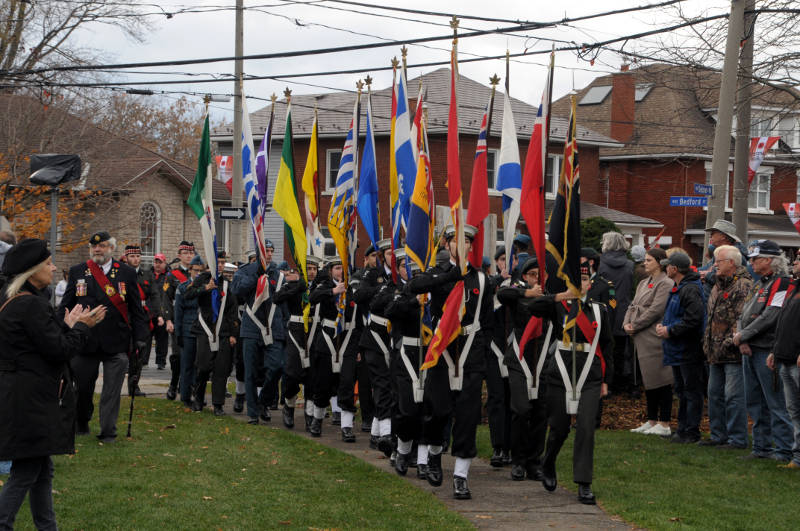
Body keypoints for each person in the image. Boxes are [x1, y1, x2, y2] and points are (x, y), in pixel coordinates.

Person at [0, 239, 106, 530]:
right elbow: (59, 350)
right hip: (29, 400)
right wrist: (83, 327)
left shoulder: (18, 301)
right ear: (32, 271)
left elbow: (41, 342)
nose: (53, 267)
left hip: (24, 396)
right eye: (47, 263)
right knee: (27, 470)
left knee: (42, 469)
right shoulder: (30, 305)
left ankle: (47, 527)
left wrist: (69, 326)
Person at [408, 225, 493, 500]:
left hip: (470, 350)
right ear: (447, 244)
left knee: (468, 416)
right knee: (438, 410)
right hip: (443, 350)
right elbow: (414, 286)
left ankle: (460, 475)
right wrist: (449, 276)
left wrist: (482, 351)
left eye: (467, 240)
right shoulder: (438, 273)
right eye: (457, 240)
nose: (462, 245)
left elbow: (488, 320)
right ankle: (433, 454)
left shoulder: (481, 279)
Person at [528, 259, 613, 505]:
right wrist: (559, 296)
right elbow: (533, 306)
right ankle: (549, 461)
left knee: (586, 428)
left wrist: (607, 380)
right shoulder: (559, 306)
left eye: (585, 280)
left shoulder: (599, 310)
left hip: (590, 374)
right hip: (560, 373)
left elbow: (607, 346)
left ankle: (584, 483)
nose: (581, 284)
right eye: (577, 280)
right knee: (559, 427)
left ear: (590, 282)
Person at [58, 231, 149, 442]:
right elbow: (66, 306)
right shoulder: (78, 271)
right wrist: (60, 331)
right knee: (82, 387)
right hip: (85, 341)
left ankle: (108, 431)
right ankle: (81, 422)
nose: (97, 249)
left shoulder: (126, 272)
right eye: (94, 246)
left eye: (102, 246)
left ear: (111, 248)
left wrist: (141, 337)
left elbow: (136, 309)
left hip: (115, 341)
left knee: (111, 391)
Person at [734, 240, 794, 461]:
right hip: (750, 349)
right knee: (755, 402)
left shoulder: (782, 283)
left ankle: (784, 449)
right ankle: (761, 447)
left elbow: (772, 314)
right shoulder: (759, 283)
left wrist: (744, 335)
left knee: (776, 403)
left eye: (755, 259)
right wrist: (741, 338)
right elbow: (743, 313)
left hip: (767, 350)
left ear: (769, 260)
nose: (751, 262)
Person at [496, 256, 550, 482]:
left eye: (540, 274)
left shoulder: (551, 295)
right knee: (520, 409)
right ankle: (517, 460)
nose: (537, 278)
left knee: (540, 413)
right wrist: (526, 293)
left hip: (542, 361)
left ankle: (533, 461)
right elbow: (502, 294)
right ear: (525, 276)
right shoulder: (518, 292)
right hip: (519, 360)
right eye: (532, 275)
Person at [700, 244, 752, 449]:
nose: (714, 266)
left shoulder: (743, 286)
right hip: (714, 351)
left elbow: (741, 319)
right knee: (714, 394)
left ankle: (737, 439)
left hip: (732, 353)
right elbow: (711, 317)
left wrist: (728, 343)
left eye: (718, 262)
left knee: (733, 396)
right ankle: (718, 435)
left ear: (731, 263)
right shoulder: (718, 284)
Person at [231, 239, 288, 425]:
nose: (270, 254)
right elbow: (237, 290)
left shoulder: (278, 275)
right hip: (251, 327)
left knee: (276, 366)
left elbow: (283, 302)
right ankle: (253, 413)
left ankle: (264, 401)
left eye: (271, 251)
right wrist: (257, 274)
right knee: (251, 371)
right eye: (266, 251)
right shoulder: (245, 271)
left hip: (274, 327)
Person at [623, 248, 674, 437]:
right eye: (645, 260)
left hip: (653, 337)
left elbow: (656, 310)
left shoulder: (666, 283)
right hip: (640, 336)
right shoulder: (644, 282)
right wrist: (626, 323)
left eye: (649, 260)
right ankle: (651, 419)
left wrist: (634, 324)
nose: (645, 263)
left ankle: (664, 422)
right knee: (649, 380)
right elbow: (632, 304)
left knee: (661, 380)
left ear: (660, 263)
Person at [656, 252, 706, 443]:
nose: (665, 268)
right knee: (682, 390)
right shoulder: (680, 288)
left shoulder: (689, 289)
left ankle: (691, 432)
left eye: (667, 265)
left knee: (691, 391)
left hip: (688, 349)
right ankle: (682, 430)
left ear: (674, 269)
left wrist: (671, 330)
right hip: (678, 349)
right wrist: (665, 326)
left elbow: (694, 319)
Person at [184, 258, 239, 416]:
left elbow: (232, 310)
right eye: (218, 262)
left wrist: (233, 334)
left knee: (221, 369)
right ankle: (198, 399)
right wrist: (205, 288)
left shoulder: (227, 284)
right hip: (204, 330)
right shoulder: (202, 279)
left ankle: (218, 404)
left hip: (222, 332)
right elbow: (188, 294)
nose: (220, 265)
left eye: (223, 262)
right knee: (202, 367)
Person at [768, 249, 800, 469]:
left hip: (797, 359)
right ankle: (797, 457)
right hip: (785, 358)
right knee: (794, 411)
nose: (795, 262)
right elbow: (781, 322)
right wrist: (774, 350)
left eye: (799, 259)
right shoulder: (793, 288)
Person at [597, 232, 634, 394]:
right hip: (623, 311)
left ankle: (606, 383)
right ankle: (621, 383)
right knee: (620, 350)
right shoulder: (630, 265)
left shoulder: (599, 263)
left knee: (604, 349)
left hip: (604, 311)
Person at [163, 241, 196, 400]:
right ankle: (173, 383)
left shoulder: (198, 274)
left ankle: (188, 386)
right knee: (177, 355)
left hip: (193, 321)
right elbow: (166, 298)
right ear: (179, 256)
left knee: (192, 357)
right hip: (177, 319)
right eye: (185, 253)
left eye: (191, 253)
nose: (188, 256)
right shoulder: (173, 275)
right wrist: (168, 320)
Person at [173, 255, 202, 408]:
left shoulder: (206, 287)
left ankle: (198, 395)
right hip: (187, 330)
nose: (197, 274)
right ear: (190, 270)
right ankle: (185, 396)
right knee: (187, 365)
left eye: (200, 271)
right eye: (195, 270)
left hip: (202, 331)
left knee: (201, 366)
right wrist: (178, 333)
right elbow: (178, 312)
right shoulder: (183, 287)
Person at [151, 253, 170, 370]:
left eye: (160, 262)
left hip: (163, 311)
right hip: (149, 310)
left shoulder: (168, 276)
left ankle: (161, 361)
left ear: (165, 263)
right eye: (156, 262)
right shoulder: (148, 274)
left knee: (162, 338)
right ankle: (143, 362)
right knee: (146, 338)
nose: (157, 265)